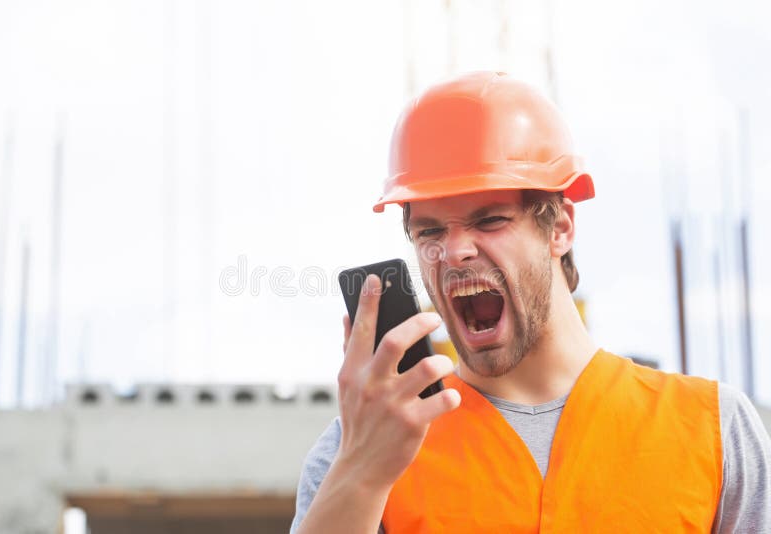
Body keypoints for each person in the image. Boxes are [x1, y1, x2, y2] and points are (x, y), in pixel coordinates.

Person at [291, 71, 771, 533]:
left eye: (490, 220)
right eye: (430, 231)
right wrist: (361, 472)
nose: (454, 251)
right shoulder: (362, 449)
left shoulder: (713, 429)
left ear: (560, 227)